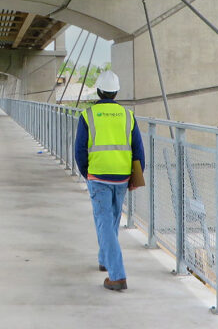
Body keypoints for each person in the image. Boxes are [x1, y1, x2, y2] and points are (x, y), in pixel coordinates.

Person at [74, 70, 144, 291]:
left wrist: (87, 174)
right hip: (122, 176)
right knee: (112, 220)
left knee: (104, 222)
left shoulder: (88, 115)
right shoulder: (128, 115)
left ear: (98, 91)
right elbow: (138, 150)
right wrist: (135, 178)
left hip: (98, 175)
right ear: (116, 92)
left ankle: (117, 275)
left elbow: (79, 150)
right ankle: (105, 259)